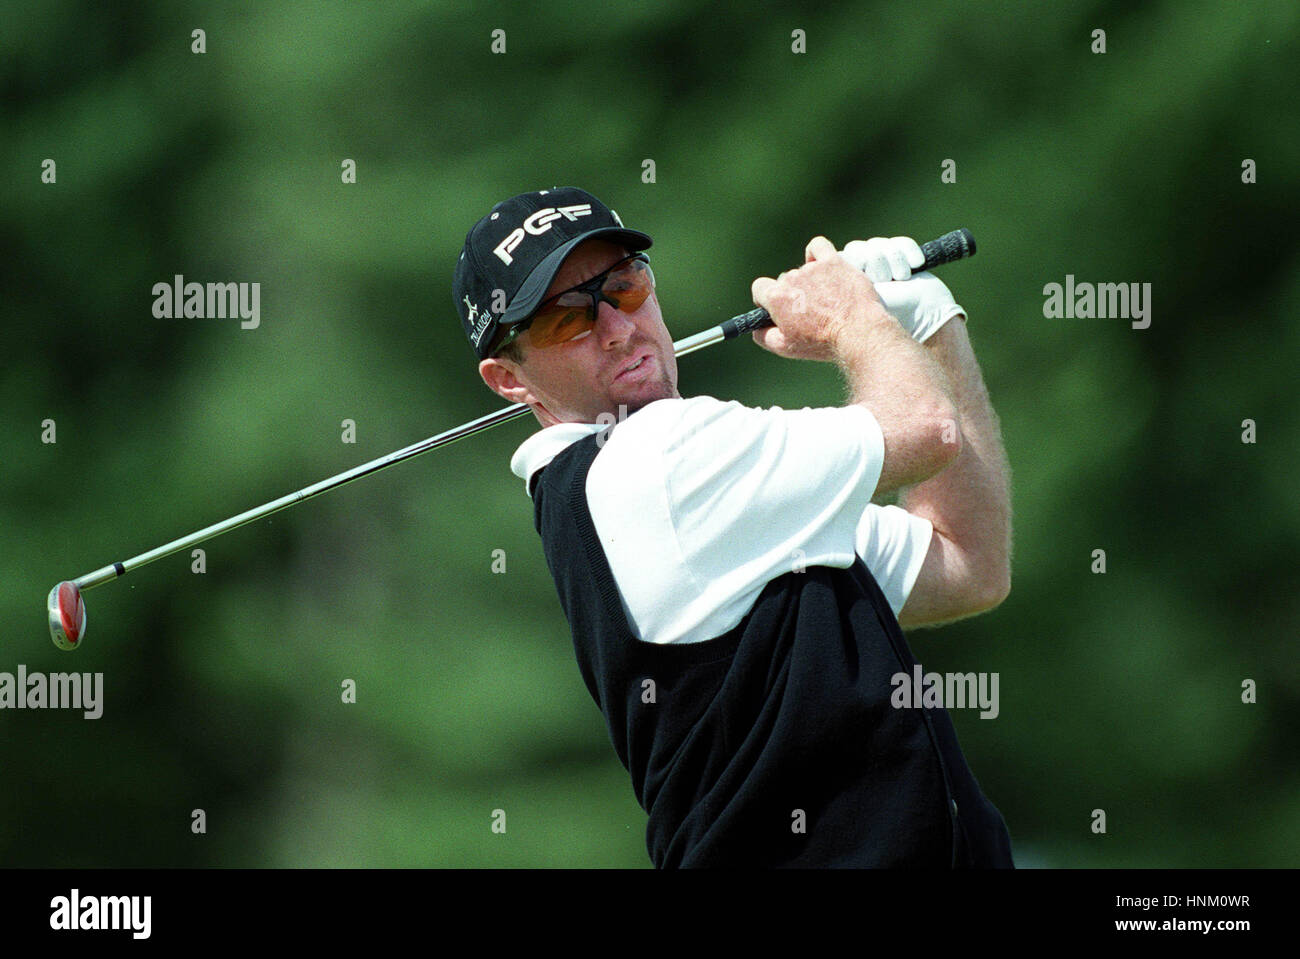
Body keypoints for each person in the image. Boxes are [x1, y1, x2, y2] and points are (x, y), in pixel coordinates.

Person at [452, 186, 1015, 868]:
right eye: (563, 321)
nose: (618, 328)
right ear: (509, 380)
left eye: (624, 286)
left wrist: (929, 326)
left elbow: (968, 564)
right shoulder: (652, 458)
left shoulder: (665, 492)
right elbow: (927, 429)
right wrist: (859, 322)